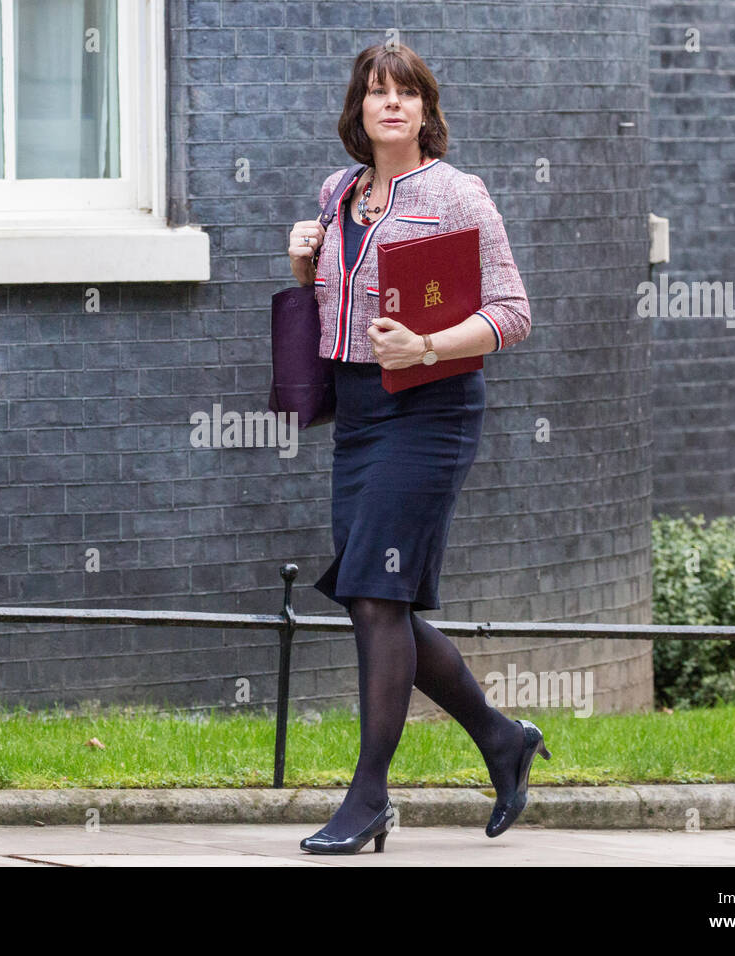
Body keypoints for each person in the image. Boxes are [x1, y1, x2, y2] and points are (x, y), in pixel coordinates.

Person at [286, 43, 550, 855]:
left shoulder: (458, 193)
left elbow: (513, 312)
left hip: (431, 409)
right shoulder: (337, 195)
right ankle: (503, 741)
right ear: (357, 110)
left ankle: (368, 798)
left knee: (375, 594)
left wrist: (428, 347)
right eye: (376, 92)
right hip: (361, 413)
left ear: (426, 110)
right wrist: (304, 268)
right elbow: (329, 311)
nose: (390, 105)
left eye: (405, 93)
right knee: (378, 593)